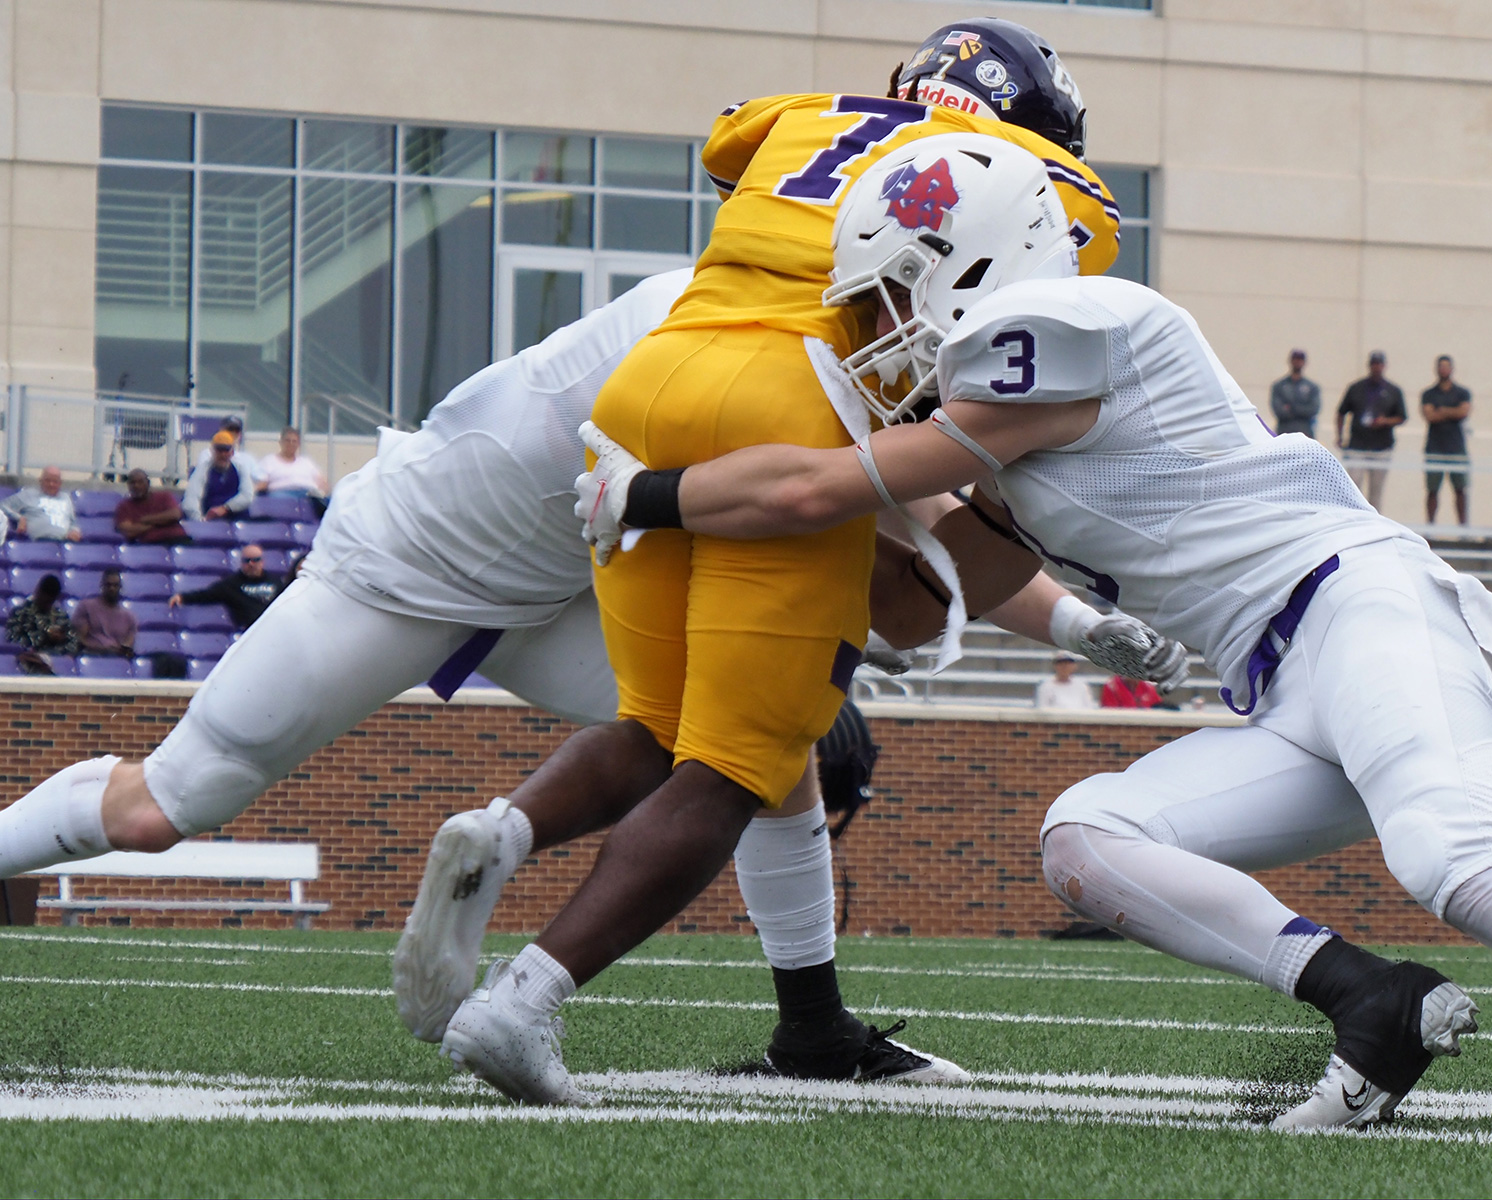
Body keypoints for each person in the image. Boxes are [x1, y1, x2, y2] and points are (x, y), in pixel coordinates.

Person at [570, 134, 1492, 1146]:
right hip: (1284, 676)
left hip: (1357, 601)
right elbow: (920, 569)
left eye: (895, 292)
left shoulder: (1080, 323)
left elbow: (825, 488)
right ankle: (1375, 1009)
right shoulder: (992, 413)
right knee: (1088, 839)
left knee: (1455, 861)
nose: (880, 330)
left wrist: (651, 493)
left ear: (978, 262)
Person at [0, 271, 1175, 1099]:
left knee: (764, 737)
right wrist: (1075, 617)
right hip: (412, 567)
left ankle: (806, 1020)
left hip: (579, 565)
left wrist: (1081, 620)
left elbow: (913, 525)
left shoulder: (768, 318)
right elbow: (899, 542)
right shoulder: (750, 345)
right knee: (166, 806)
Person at [421, 23, 1145, 1107]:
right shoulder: (1051, 182)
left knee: (660, 731)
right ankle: (521, 1004)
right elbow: (1017, 330)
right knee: (739, 768)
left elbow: (727, 148)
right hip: (793, 414)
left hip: (645, 398)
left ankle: (508, 829)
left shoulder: (806, 114)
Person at [1335, 351, 1404, 508]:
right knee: (1353, 489)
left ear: (1384, 366)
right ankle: (1353, 524)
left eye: (1379, 364)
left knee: (1376, 492)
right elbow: (1341, 412)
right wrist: (1340, 436)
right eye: (1374, 364)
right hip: (1358, 446)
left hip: (1381, 448)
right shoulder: (1356, 388)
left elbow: (1401, 417)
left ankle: (1375, 528)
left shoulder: (1393, 390)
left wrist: (1385, 421)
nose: (1376, 367)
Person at [168, 543, 281, 629]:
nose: (251, 564)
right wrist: (183, 597)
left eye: (255, 560)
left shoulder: (276, 582)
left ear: (262, 562)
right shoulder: (231, 584)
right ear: (241, 562)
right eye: (247, 560)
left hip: (274, 628)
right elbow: (207, 595)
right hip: (249, 632)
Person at [1420, 355, 1470, 525]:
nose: (1443, 370)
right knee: (1432, 489)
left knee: (1460, 489)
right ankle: (1430, 526)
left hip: (1456, 447)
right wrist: (1451, 412)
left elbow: (1463, 412)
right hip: (1435, 447)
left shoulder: (1462, 393)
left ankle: (1463, 528)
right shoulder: (1429, 394)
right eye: (1441, 366)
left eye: (1446, 366)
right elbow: (1429, 416)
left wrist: (1442, 411)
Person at [5, 574, 79, 671]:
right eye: (43, 600)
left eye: (50, 602)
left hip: (57, 663)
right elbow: (13, 640)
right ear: (37, 591)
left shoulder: (61, 616)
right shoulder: (20, 613)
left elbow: (74, 643)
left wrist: (61, 642)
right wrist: (45, 637)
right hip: (30, 663)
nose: (46, 604)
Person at [182, 430, 255, 521]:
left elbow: (247, 496)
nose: (223, 454)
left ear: (232, 452)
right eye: (219, 449)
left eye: (226, 450)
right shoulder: (202, 469)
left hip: (237, 519)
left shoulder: (240, 468)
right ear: (212, 451)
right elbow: (191, 498)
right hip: (211, 521)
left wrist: (226, 508)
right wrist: (198, 520)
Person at [2, 466, 82, 543]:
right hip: (37, 542)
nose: (51, 484)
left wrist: (74, 531)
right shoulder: (28, 495)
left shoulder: (66, 498)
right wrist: (19, 518)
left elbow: (72, 522)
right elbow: (2, 505)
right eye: (47, 480)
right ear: (40, 481)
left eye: (55, 481)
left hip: (63, 542)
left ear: (60, 483)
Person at [73, 569, 138, 658]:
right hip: (92, 656)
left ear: (120, 588)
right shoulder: (86, 607)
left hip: (116, 659)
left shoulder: (129, 618)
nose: (112, 588)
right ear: (102, 586)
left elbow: (127, 646)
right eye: (108, 585)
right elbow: (79, 640)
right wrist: (103, 649)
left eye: (115, 585)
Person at [113, 469, 189, 544]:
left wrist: (146, 520)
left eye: (140, 482)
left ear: (148, 483)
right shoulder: (124, 506)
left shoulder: (164, 497)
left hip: (178, 539)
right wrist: (162, 522)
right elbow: (129, 531)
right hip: (151, 544)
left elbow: (175, 515)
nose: (136, 486)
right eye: (132, 483)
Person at [254, 427, 330, 502]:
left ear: (298, 444)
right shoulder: (269, 460)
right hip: (282, 495)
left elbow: (322, 483)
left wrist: (324, 492)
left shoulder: (306, 462)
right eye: (287, 440)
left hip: (308, 494)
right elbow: (262, 483)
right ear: (281, 442)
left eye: (294, 441)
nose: (291, 444)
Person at [1268, 350, 1319, 438]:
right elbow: (1278, 410)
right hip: (1284, 432)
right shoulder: (1279, 386)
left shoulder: (1312, 387)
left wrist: (1292, 408)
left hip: (1305, 432)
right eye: (1295, 359)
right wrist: (1301, 408)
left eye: (1300, 360)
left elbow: (1313, 409)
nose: (1297, 362)